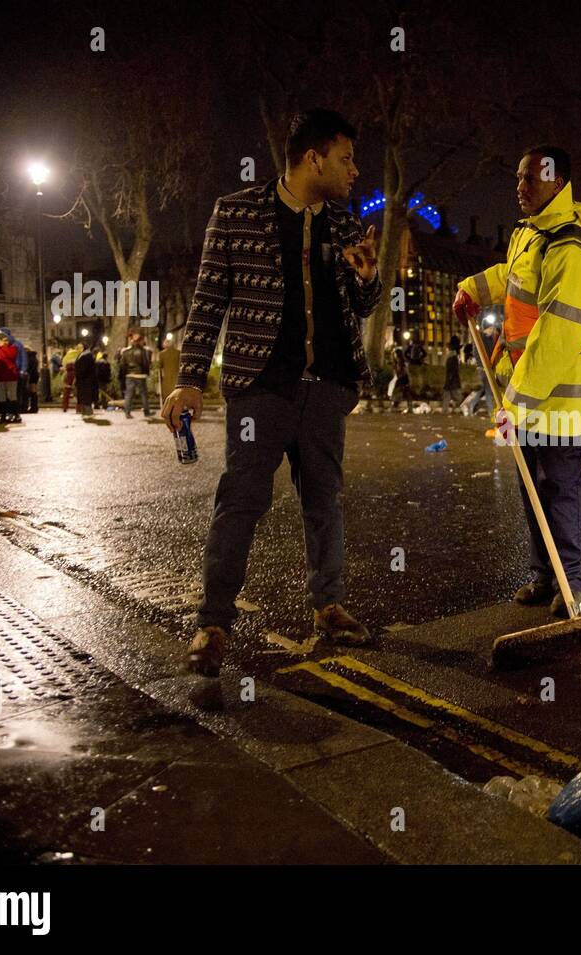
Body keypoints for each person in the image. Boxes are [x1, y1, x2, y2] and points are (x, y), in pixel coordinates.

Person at [161, 108, 382, 676]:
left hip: (326, 387)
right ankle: (212, 622)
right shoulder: (236, 213)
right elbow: (208, 301)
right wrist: (188, 380)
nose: (355, 170)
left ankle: (328, 606)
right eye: (346, 158)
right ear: (314, 158)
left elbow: (360, 307)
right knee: (241, 500)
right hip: (261, 387)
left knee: (324, 500)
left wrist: (366, 280)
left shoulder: (344, 223)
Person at [454, 143, 581, 619]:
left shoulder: (574, 247)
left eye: (531, 179)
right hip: (522, 395)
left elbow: (557, 336)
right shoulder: (532, 235)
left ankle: (571, 585)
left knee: (561, 490)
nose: (521, 187)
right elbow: (514, 277)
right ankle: (546, 577)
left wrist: (514, 403)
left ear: (559, 182)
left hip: (558, 400)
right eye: (518, 178)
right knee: (533, 490)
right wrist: (473, 288)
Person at [119, 330, 154, 418]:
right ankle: (146, 412)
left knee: (129, 394)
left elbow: (122, 365)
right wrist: (146, 372)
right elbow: (145, 363)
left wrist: (124, 375)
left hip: (129, 375)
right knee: (143, 394)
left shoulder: (125, 352)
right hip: (140, 375)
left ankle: (127, 413)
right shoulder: (143, 351)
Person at [74, 339, 98, 415]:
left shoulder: (86, 355)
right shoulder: (83, 355)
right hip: (83, 381)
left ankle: (88, 413)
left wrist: (79, 375)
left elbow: (83, 369)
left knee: (86, 397)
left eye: (79, 347)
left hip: (86, 381)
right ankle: (85, 412)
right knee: (84, 398)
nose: (77, 349)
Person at [442, 338, 463, 413]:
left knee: (453, 396)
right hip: (454, 381)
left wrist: (448, 381)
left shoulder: (451, 357)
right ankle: (447, 410)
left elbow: (451, 371)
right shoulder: (454, 357)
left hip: (452, 381)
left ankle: (446, 410)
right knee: (452, 396)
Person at [61, 342, 82, 412]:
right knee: (78, 391)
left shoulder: (68, 354)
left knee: (66, 392)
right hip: (76, 372)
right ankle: (79, 408)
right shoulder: (80, 354)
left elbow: (63, 363)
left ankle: (65, 407)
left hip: (68, 373)